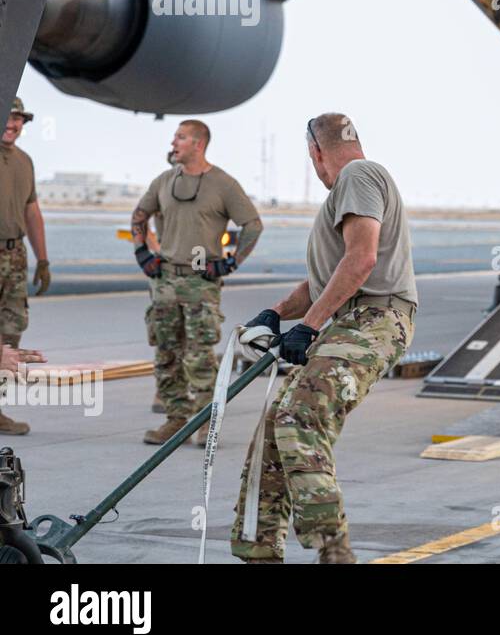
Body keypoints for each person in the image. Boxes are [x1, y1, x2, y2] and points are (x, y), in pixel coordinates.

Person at [231, 113, 417, 564]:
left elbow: (362, 260)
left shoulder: (357, 175)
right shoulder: (350, 190)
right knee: (273, 431)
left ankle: (335, 552)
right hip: (351, 321)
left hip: (375, 318)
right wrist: (274, 314)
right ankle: (258, 551)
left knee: (298, 418)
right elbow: (325, 283)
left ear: (315, 151)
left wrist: (309, 326)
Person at [131, 120, 262, 445]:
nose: (173, 142)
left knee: (199, 356)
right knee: (166, 354)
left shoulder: (223, 184)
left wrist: (231, 262)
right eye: (175, 137)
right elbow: (138, 215)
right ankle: (175, 420)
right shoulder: (163, 181)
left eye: (181, 137)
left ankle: (205, 423)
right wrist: (142, 253)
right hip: (165, 282)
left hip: (201, 283)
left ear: (198, 144)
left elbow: (253, 225)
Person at [0, 98, 50, 436]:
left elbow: (32, 211)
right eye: (8, 117)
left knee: (11, 332)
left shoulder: (24, 161)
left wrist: (42, 259)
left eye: (18, 119)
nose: (13, 124)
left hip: (14, 255)